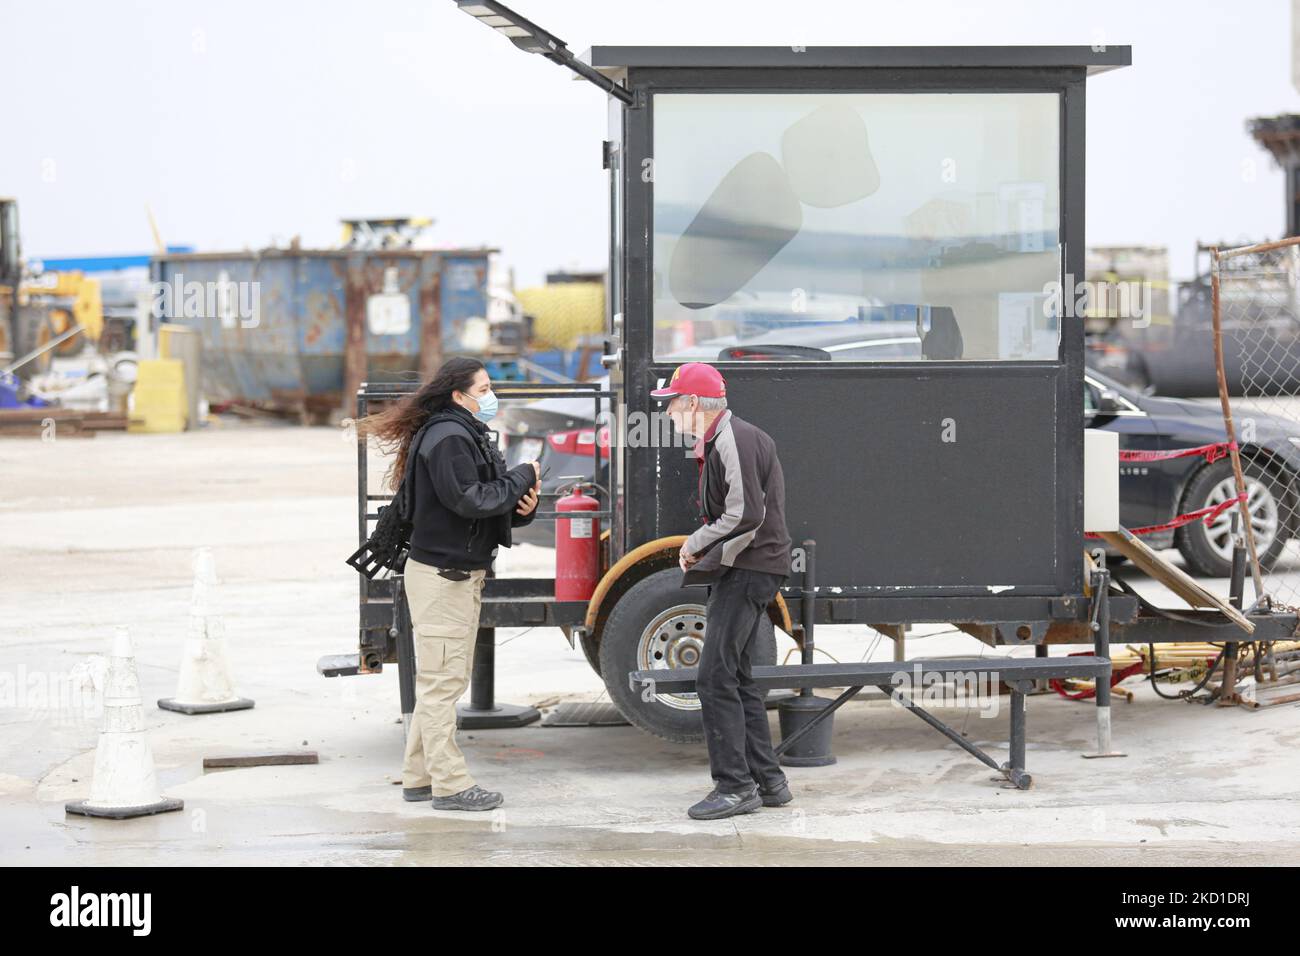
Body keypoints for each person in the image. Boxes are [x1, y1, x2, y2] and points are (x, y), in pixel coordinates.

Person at [361, 357, 540, 811]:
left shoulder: (461, 434)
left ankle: (419, 776)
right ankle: (451, 784)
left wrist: (524, 503)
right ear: (459, 395)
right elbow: (470, 499)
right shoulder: (449, 438)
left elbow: (486, 501)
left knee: (440, 681)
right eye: (482, 389)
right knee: (442, 686)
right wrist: (524, 475)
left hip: (454, 574)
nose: (490, 395)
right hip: (445, 578)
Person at [653, 362, 794, 820]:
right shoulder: (726, 439)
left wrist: (695, 544)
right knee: (737, 677)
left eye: (672, 402)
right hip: (750, 567)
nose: (669, 412)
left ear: (693, 402)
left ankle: (735, 788)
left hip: (749, 569)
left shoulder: (733, 438)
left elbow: (745, 511)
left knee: (713, 677)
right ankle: (769, 782)